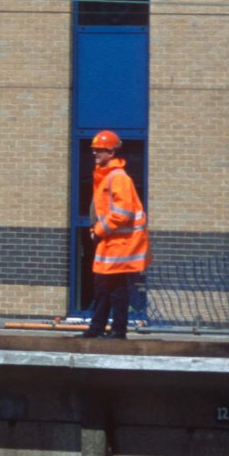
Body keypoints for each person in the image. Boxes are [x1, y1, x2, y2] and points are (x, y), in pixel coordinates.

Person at [85, 130, 149, 339]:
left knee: (115, 288)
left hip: (120, 244)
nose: (95, 154)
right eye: (94, 150)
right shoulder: (106, 177)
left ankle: (117, 330)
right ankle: (98, 328)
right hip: (112, 243)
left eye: (99, 151)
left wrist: (100, 230)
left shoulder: (118, 178)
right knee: (104, 287)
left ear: (111, 152)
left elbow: (123, 212)